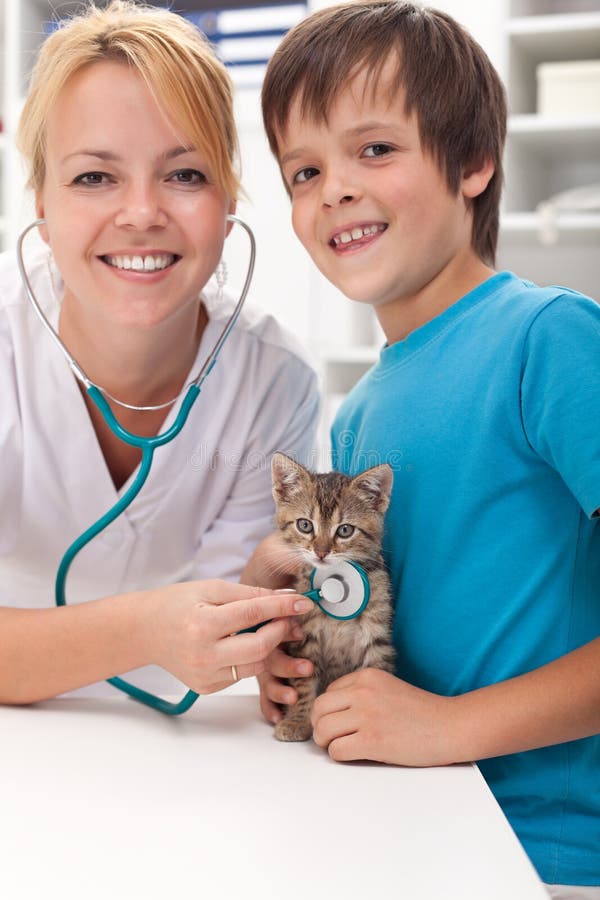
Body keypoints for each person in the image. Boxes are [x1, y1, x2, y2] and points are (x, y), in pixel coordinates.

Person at [255, 2, 600, 896]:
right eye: (304, 169)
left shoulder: (549, 341)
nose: (333, 187)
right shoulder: (361, 417)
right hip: (414, 824)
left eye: (374, 149)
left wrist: (446, 727)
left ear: (473, 163)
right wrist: (309, 671)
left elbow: (434, 715)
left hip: (550, 857)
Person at [0, 0, 319, 706]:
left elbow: (238, 635)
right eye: (93, 177)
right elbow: (177, 632)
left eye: (184, 175)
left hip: (195, 749)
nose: (142, 211)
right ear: (42, 209)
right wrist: (145, 630)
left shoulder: (275, 382)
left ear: (228, 199)